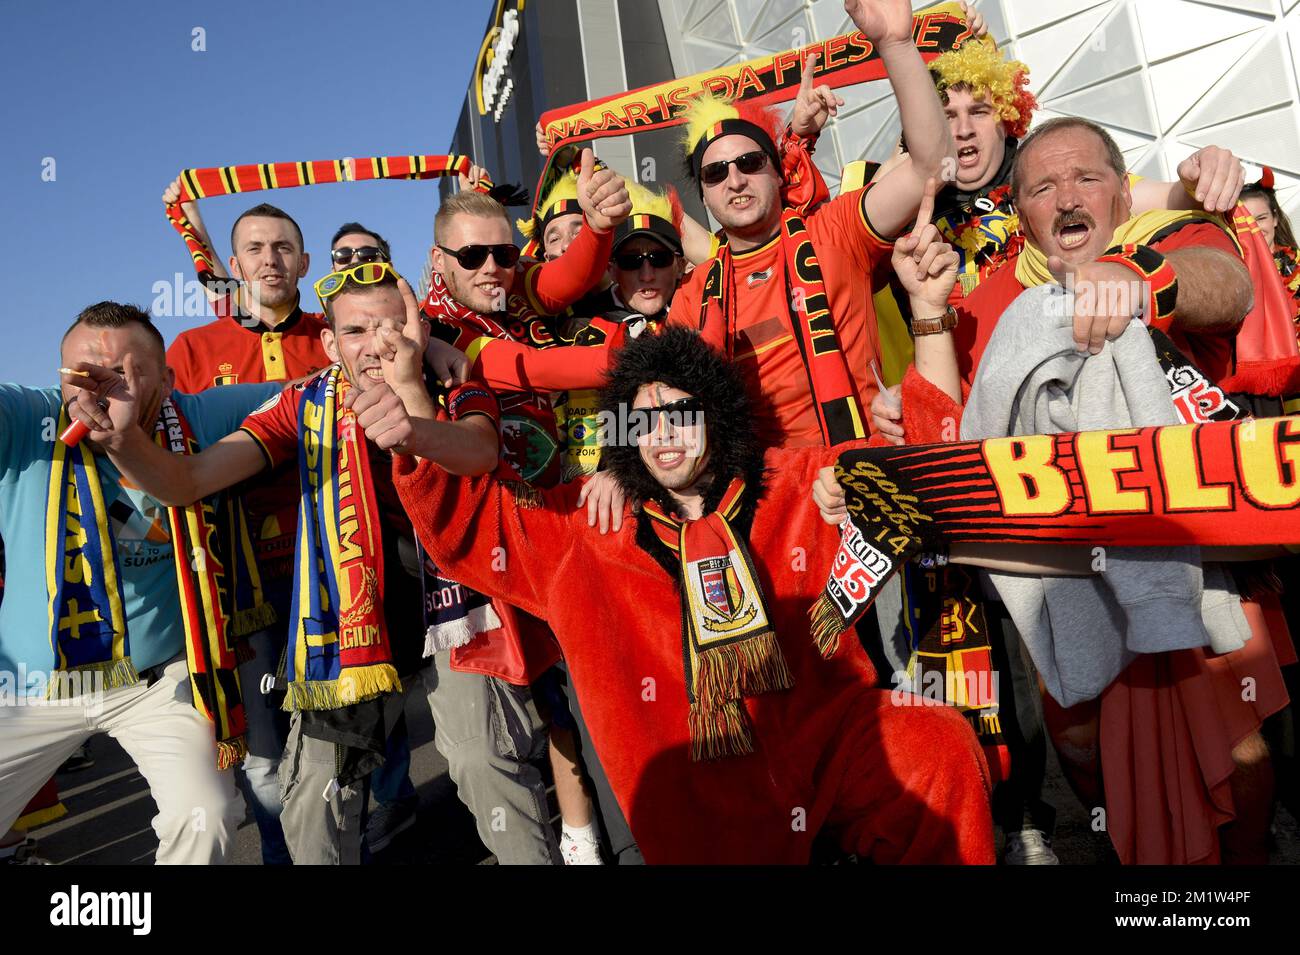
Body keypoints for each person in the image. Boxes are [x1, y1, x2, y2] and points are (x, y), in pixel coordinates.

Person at [388, 325, 995, 864]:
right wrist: (412, 417)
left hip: (830, 749)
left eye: (682, 413)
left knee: (935, 745)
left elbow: (925, 467)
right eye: (642, 421)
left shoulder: (795, 483)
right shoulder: (589, 530)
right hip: (702, 808)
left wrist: (926, 317)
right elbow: (470, 521)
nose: (664, 435)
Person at [847, 117, 1285, 864]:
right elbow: (961, 421)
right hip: (1065, 576)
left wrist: (1135, 282)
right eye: (1044, 186)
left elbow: (1230, 288)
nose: (1068, 196)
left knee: (1237, 752)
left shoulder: (1172, 237)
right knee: (1080, 744)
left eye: (1087, 177)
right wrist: (904, 403)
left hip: (1194, 561)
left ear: (1123, 190)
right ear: (1021, 214)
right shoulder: (991, 299)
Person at [69, 266, 562, 865]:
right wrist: (123, 442)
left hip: (455, 609)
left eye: (393, 324)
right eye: (356, 330)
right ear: (330, 345)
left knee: (488, 767)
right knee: (314, 801)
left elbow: (480, 451)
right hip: (346, 623)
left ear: (418, 325)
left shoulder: (455, 380)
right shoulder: (301, 402)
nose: (378, 343)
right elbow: (187, 481)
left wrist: (412, 416)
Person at [2, 302, 285, 864]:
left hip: (158, 683)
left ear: (169, 380)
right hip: (33, 687)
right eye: (84, 371)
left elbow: (324, 387)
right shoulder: (25, 420)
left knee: (205, 817)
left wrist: (433, 349)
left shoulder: (199, 417)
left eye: (127, 371)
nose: (102, 388)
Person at [664, 0, 956, 450]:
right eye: (715, 173)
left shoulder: (835, 229)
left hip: (869, 476)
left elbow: (931, 164)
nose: (735, 179)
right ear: (704, 194)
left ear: (778, 171)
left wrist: (895, 46)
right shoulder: (693, 297)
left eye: (749, 162)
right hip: (776, 502)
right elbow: (665, 411)